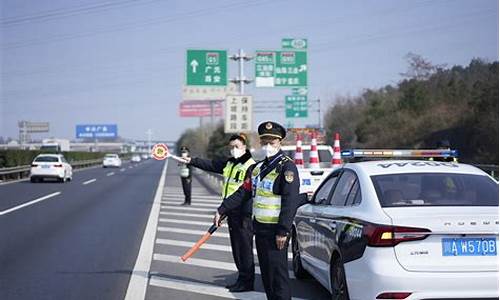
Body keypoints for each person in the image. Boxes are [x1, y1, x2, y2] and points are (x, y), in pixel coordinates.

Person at [214, 121, 302, 300]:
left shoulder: (287, 167)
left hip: (276, 232)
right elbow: (243, 193)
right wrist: (222, 209)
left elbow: (289, 202)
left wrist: (283, 231)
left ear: (280, 143)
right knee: (267, 277)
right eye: (265, 142)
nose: (268, 146)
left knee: (278, 279)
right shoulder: (257, 169)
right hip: (260, 229)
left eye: (272, 142)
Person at [184, 133, 256, 292]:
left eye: (236, 146)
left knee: (244, 249)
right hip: (232, 211)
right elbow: (211, 164)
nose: (233, 150)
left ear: (244, 146)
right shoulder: (231, 163)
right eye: (231, 147)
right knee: (237, 249)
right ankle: (241, 279)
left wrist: (222, 209)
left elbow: (244, 193)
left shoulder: (251, 166)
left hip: (244, 213)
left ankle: (248, 282)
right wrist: (192, 160)